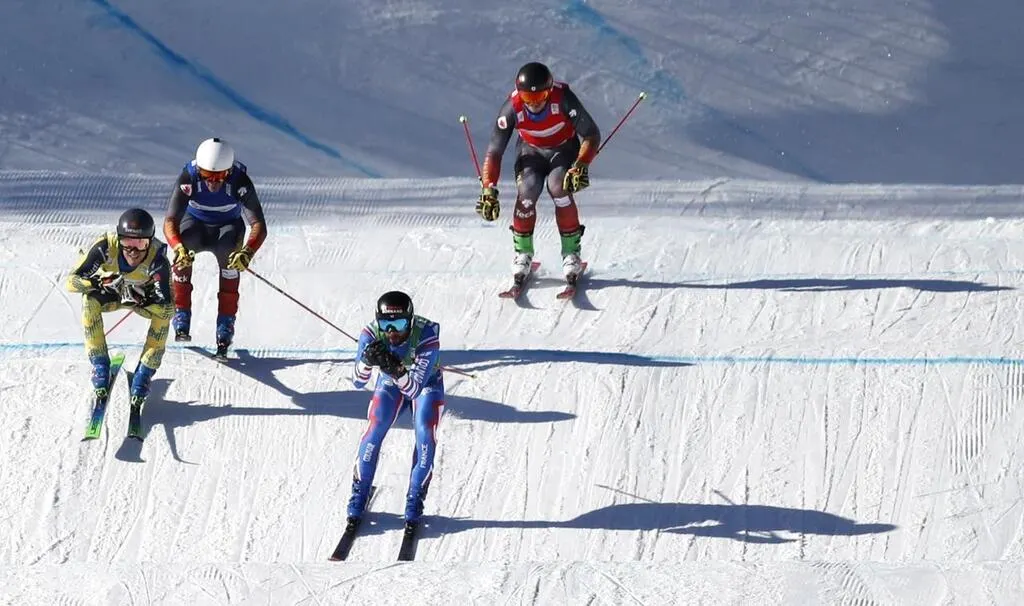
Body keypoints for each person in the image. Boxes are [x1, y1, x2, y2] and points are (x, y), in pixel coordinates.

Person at [476, 61, 602, 283]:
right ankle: (523, 253)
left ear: (550, 91)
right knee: (527, 191)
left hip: (563, 149)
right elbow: (494, 151)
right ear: (520, 94)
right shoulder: (512, 107)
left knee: (559, 187)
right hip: (530, 151)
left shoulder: (563, 99)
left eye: (540, 97)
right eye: (528, 98)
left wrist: (581, 164)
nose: (534, 104)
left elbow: (591, 134)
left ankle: (571, 253)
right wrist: (488, 189)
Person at [162, 137, 268, 355]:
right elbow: (170, 221)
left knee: (230, 259)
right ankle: (181, 313)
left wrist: (247, 252)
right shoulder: (188, 177)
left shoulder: (240, 181)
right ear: (198, 170)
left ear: (229, 171)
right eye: (206, 175)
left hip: (228, 228)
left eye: (219, 176)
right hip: (194, 225)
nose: (212, 182)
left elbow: (258, 224)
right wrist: (178, 248)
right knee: (183, 254)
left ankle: (225, 324)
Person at [347, 291, 444, 527]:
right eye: (386, 324)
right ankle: (360, 492)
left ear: (410, 321)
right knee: (375, 427)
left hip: (426, 384)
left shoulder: (427, 336)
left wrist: (397, 370)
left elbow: (413, 391)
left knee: (425, 432)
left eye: (399, 324)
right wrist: (366, 361)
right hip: (391, 380)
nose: (392, 332)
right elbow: (358, 381)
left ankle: (415, 498)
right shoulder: (371, 334)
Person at [65, 208, 173, 407]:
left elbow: (168, 309)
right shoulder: (105, 247)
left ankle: (145, 372)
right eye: (127, 243)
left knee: (163, 316)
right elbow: (71, 282)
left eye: (140, 244)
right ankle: (100, 364)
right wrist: (98, 282)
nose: (133, 251)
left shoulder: (157, 259)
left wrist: (144, 299)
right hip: (111, 294)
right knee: (89, 301)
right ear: (119, 239)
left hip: (139, 299)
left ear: (150, 242)